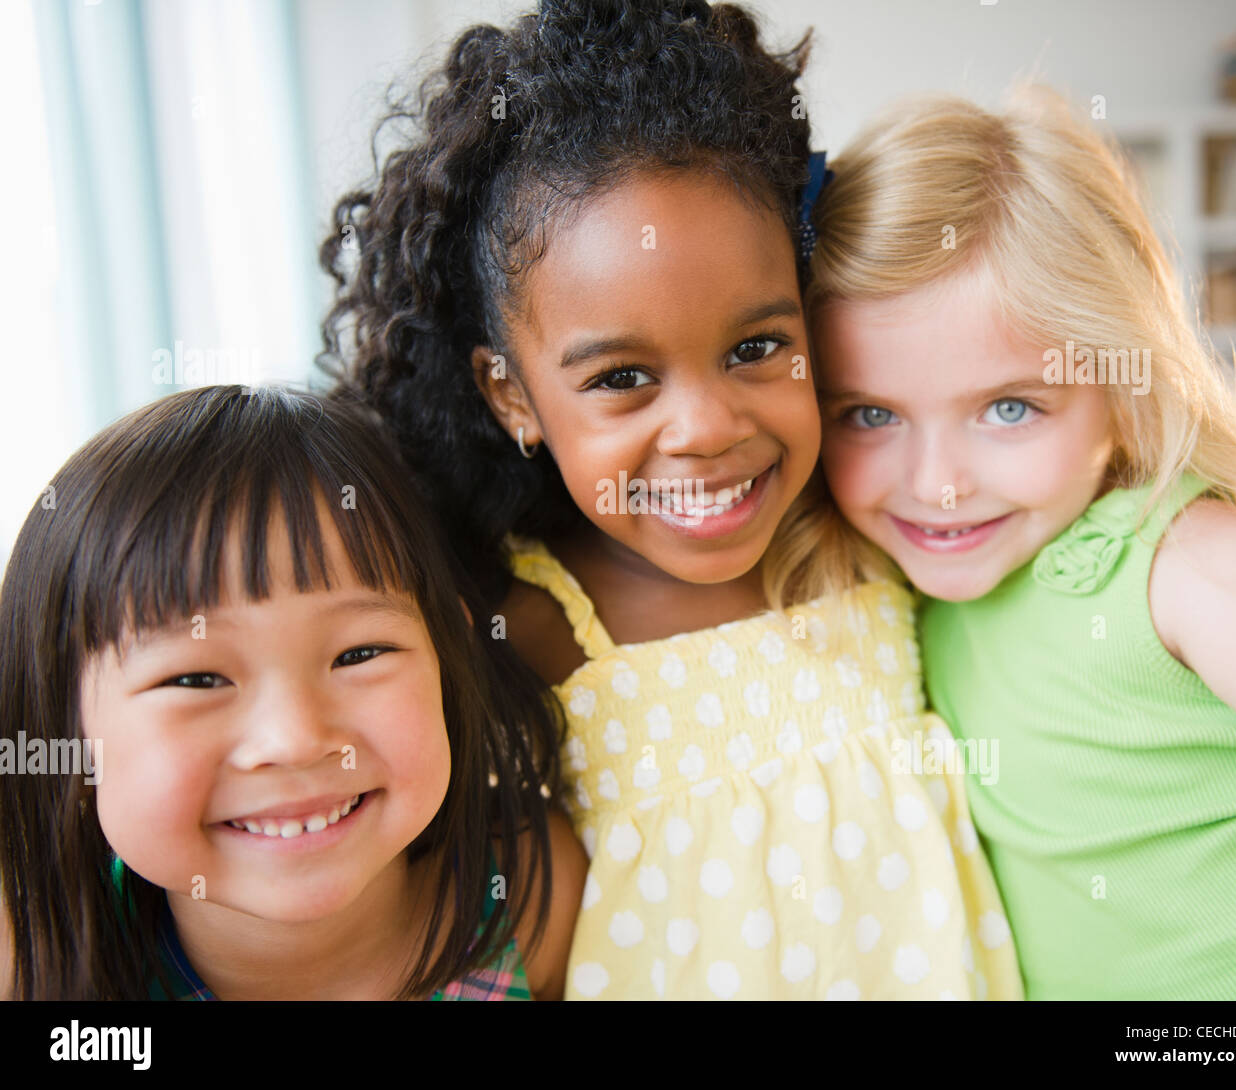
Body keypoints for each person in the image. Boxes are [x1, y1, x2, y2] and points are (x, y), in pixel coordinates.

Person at [322, 0, 1022, 999]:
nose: (704, 426)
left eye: (754, 349)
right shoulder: (516, 627)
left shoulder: (873, 537)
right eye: (620, 378)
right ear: (511, 393)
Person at [805, 86, 1236, 999]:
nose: (938, 483)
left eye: (1008, 408)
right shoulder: (894, 597)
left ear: (1122, 386)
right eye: (870, 415)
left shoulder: (1185, 564)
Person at [0, 385, 585, 1000]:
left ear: (452, 653)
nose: (295, 738)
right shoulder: (33, 962)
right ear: (66, 723)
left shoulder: (525, 902)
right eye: (196, 679)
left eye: (358, 654)